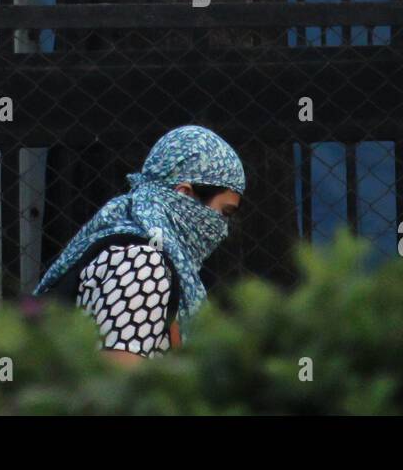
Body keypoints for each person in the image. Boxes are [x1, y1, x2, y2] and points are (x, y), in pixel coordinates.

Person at [33, 125, 245, 363]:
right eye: (224, 212)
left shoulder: (137, 251)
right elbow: (118, 385)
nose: (223, 229)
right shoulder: (142, 263)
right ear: (185, 195)